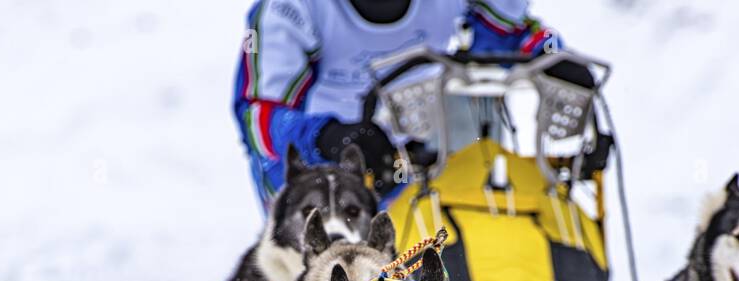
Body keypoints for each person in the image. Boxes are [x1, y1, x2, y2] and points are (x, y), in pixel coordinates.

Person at [232, 0, 558, 206]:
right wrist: (325, 137)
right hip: (315, 159)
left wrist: (552, 56)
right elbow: (259, 120)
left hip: (413, 149)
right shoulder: (290, 9)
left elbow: (507, 35)